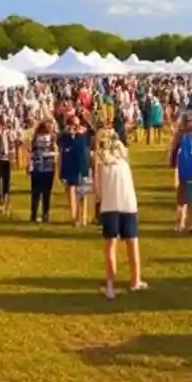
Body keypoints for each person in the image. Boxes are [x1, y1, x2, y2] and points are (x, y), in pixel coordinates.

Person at [93, 128, 148, 300]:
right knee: (132, 243)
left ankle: (110, 286)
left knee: (111, 246)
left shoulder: (102, 164)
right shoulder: (123, 161)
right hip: (129, 204)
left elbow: (99, 191)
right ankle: (135, 280)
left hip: (110, 206)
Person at [59, 115, 94, 227]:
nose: (76, 127)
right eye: (73, 125)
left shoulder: (85, 135)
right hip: (70, 166)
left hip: (83, 166)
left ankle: (83, 217)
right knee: (71, 191)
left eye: (78, 125)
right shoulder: (65, 137)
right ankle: (74, 218)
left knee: (83, 193)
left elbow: (93, 132)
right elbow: (61, 152)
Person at [28, 119, 59, 223]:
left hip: (39, 167)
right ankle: (44, 214)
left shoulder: (36, 137)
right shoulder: (51, 138)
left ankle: (35, 214)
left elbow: (31, 152)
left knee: (37, 193)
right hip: (45, 167)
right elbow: (54, 152)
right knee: (45, 193)